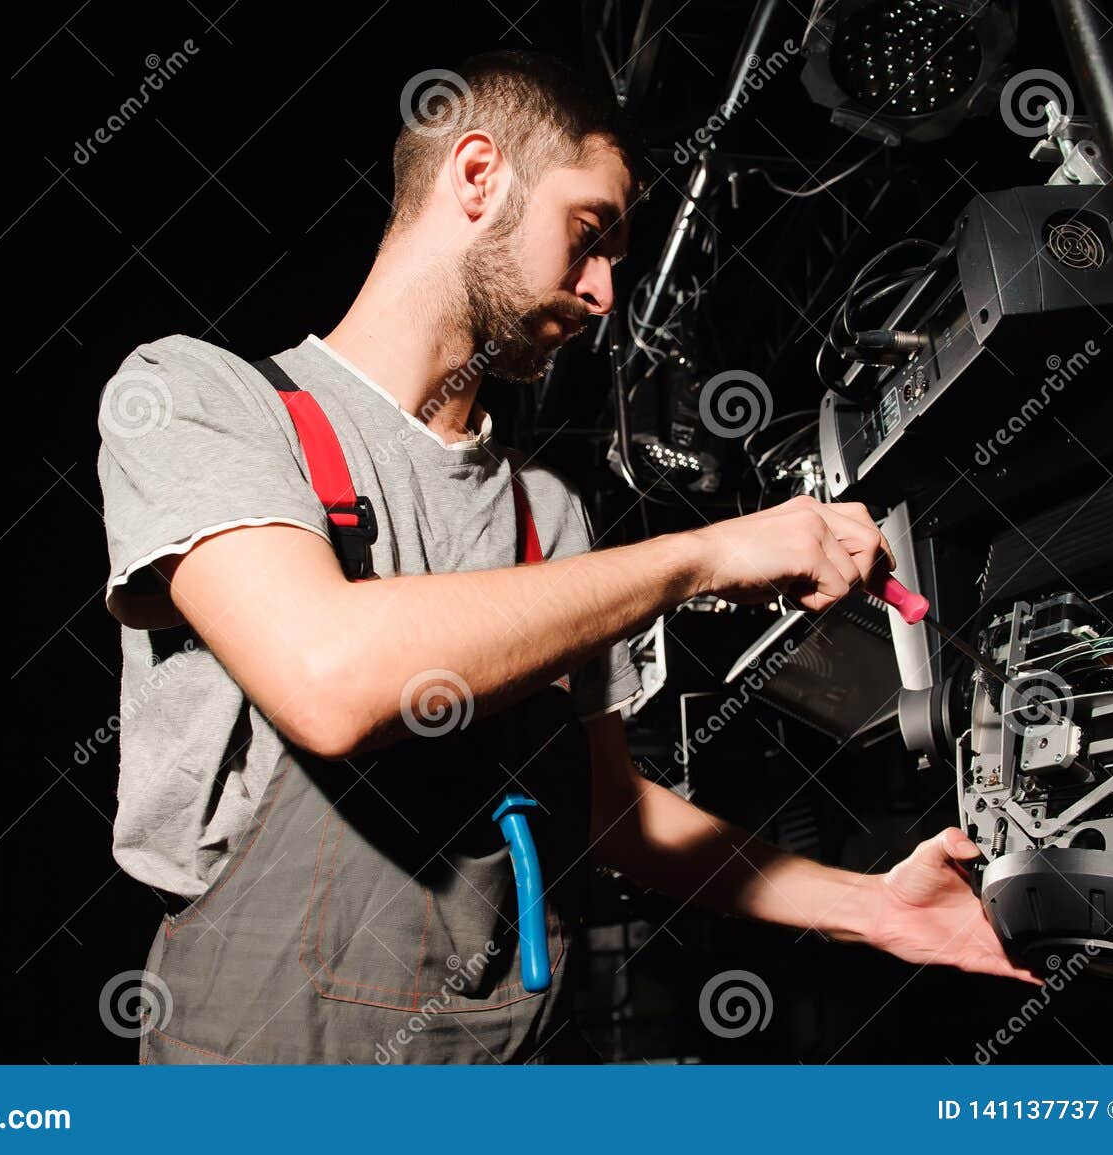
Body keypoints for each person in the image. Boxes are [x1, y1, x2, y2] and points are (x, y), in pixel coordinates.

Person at [96, 48, 1036, 1065]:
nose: (602, 295)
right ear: (476, 175)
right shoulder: (202, 399)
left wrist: (876, 909)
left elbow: (612, 814)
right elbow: (330, 678)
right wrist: (703, 556)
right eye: (587, 235)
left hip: (500, 1055)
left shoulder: (547, 514)